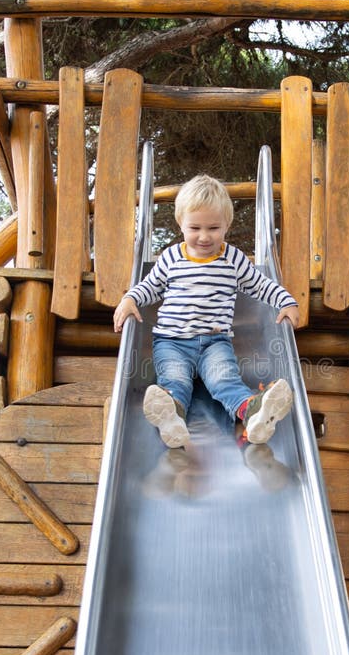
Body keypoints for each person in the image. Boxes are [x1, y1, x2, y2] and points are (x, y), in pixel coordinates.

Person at [113, 174, 300, 449]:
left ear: (227, 225)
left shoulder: (233, 259)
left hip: (215, 343)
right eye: (195, 227)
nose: (203, 236)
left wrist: (286, 301)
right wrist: (130, 299)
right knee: (175, 380)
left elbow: (260, 285)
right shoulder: (171, 257)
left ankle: (252, 411)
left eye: (213, 227)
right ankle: (172, 418)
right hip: (172, 342)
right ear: (181, 225)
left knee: (224, 380)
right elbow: (151, 287)